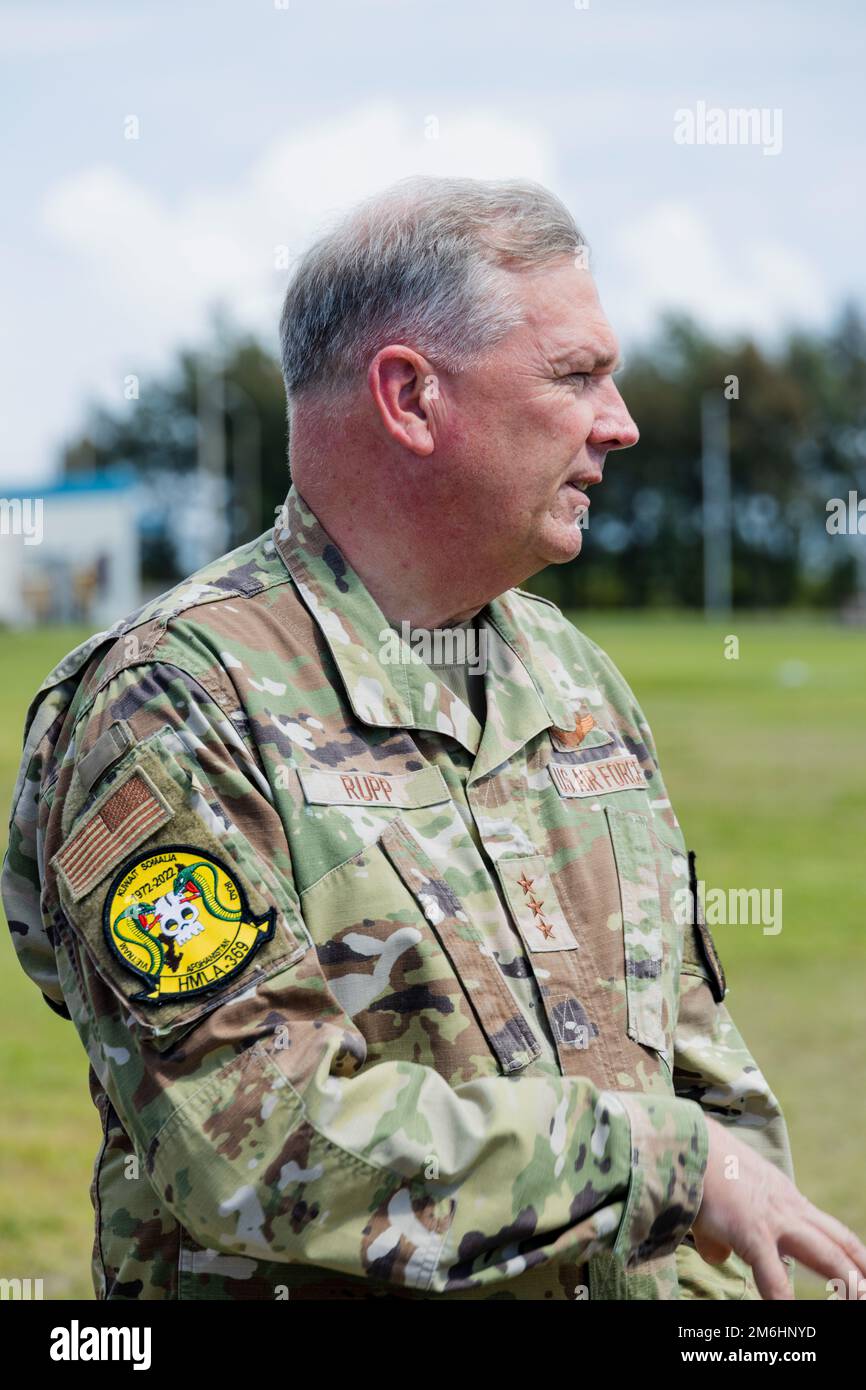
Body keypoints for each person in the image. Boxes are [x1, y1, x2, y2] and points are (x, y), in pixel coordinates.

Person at [4, 177, 864, 1302]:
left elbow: (700, 1085)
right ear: (409, 397)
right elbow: (252, 1141)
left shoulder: (572, 680)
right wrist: (653, 1164)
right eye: (574, 375)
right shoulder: (173, 703)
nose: (620, 421)